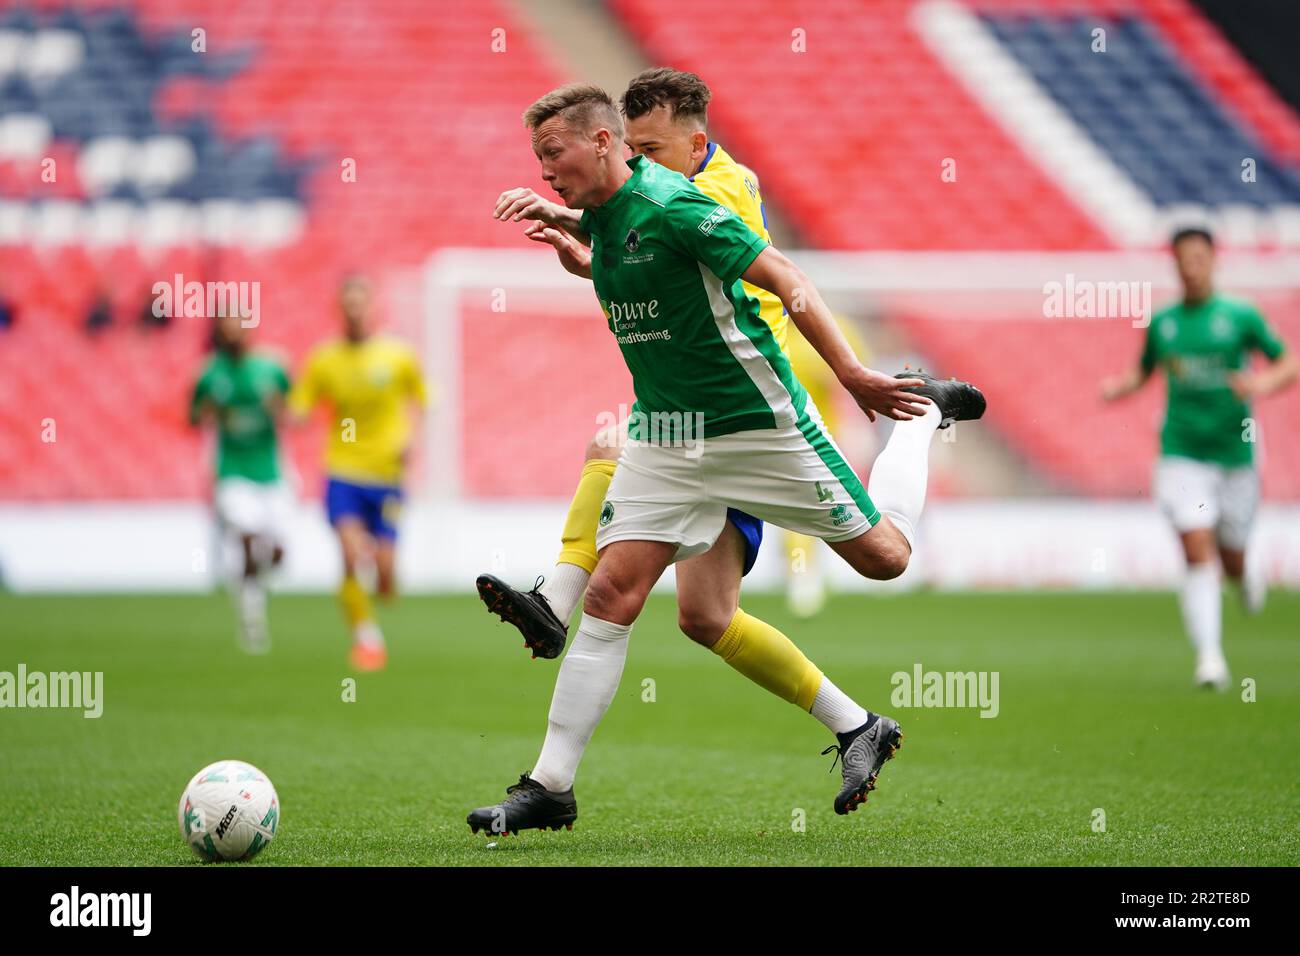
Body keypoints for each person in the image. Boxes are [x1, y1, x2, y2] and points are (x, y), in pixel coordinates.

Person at [467, 84, 985, 835]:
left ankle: (920, 414)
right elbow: (643, 267)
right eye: (537, 157)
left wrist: (854, 378)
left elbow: (786, 278)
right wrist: (576, 241)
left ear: (605, 142)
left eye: (554, 153)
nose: (544, 170)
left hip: (755, 424)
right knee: (618, 598)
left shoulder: (680, 203)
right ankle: (550, 784)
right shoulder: (609, 220)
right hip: (667, 435)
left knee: (886, 559)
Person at [1101, 226, 1295, 689]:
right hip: (1181, 452)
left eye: (1199, 258)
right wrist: (1117, 387)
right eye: (1183, 259)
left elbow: (1287, 361)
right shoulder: (1165, 323)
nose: (1191, 267)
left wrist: (1261, 385)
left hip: (1234, 453)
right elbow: (1145, 371)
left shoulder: (1241, 316)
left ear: (1212, 260)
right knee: (1195, 545)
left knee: (1230, 555)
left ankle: (1245, 571)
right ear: (1175, 264)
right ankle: (1210, 659)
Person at [289, 275, 427, 671]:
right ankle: (366, 638)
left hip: (386, 475)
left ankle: (382, 584)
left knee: (384, 574)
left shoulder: (398, 355)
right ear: (339, 309)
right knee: (350, 555)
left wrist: (410, 439)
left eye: (359, 302)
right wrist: (287, 412)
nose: (353, 310)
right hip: (343, 471)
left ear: (371, 306)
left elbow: (421, 399)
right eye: (346, 303)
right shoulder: (323, 358)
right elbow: (301, 407)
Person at [189, 311, 292, 653]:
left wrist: (277, 408)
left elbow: (292, 413)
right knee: (247, 540)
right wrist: (209, 411)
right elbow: (192, 417)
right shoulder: (209, 373)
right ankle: (251, 618)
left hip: (271, 471)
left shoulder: (271, 368)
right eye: (226, 327)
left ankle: (264, 575)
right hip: (232, 471)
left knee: (276, 551)